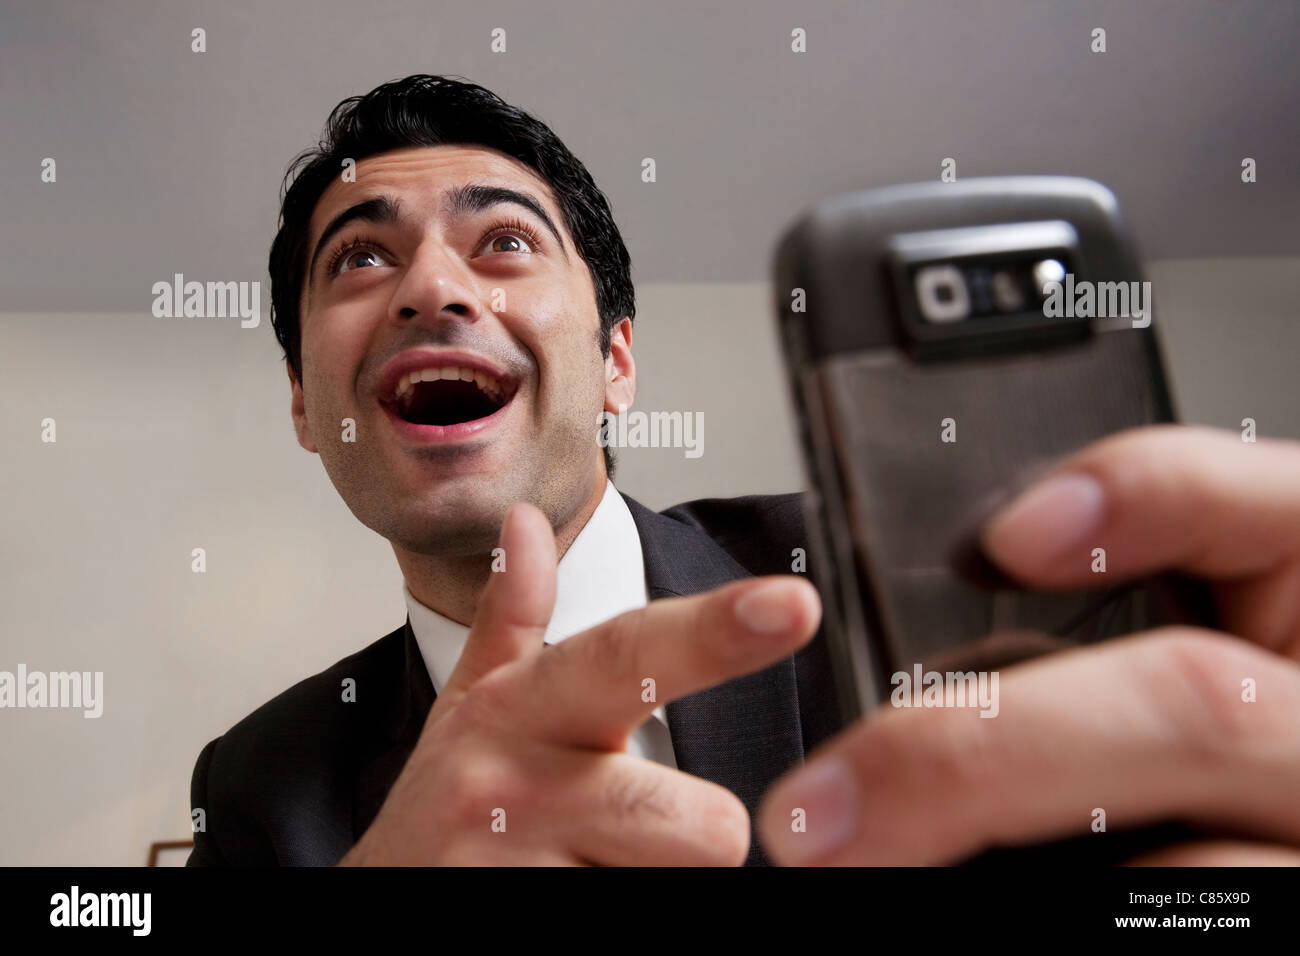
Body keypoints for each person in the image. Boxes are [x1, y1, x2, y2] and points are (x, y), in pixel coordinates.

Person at [189, 74, 1300, 867]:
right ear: (304, 405)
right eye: (362, 258)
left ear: (616, 363)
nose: (432, 286)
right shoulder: (256, 787)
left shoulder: (895, 590)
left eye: (505, 241)